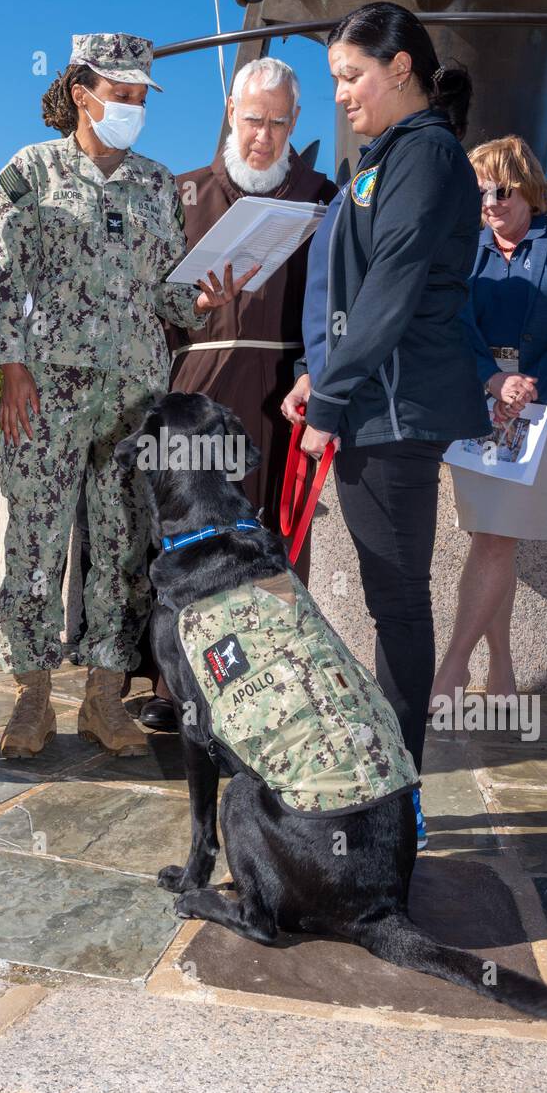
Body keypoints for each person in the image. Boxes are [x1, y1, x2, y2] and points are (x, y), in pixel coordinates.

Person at [0, 33, 256, 761]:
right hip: (47, 388)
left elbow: (168, 290)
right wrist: (10, 365)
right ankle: (31, 696)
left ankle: (103, 697)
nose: (134, 109)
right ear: (81, 92)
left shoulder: (158, 185)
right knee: (35, 540)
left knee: (123, 545)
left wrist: (206, 299)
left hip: (135, 394)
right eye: (122, 95)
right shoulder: (28, 172)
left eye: (141, 98)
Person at [281, 1, 490, 848]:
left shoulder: (428, 155)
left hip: (392, 411)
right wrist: (311, 377)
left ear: (399, 68)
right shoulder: (386, 157)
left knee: (398, 605)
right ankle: (388, 784)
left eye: (349, 77)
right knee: (388, 600)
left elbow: (394, 286)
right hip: (367, 399)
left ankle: (399, 801)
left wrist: (330, 402)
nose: (339, 96)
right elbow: (347, 291)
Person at [139, 56, 338, 732]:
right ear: (229, 111)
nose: (263, 136)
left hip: (282, 391)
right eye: (253, 119)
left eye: (278, 123)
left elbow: (335, 294)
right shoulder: (180, 191)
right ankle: (175, 687)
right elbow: (144, 305)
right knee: (189, 537)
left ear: (295, 124)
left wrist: (319, 368)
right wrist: (190, 302)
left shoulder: (320, 195)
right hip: (197, 389)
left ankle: (273, 684)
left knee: (271, 542)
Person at [431, 135, 547, 704]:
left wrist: (535, 384)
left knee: (496, 537)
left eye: (500, 190)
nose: (489, 202)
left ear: (528, 188)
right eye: (479, 193)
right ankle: (501, 669)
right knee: (492, 536)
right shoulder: (467, 249)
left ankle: (451, 670)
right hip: (479, 404)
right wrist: (494, 379)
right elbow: (455, 320)